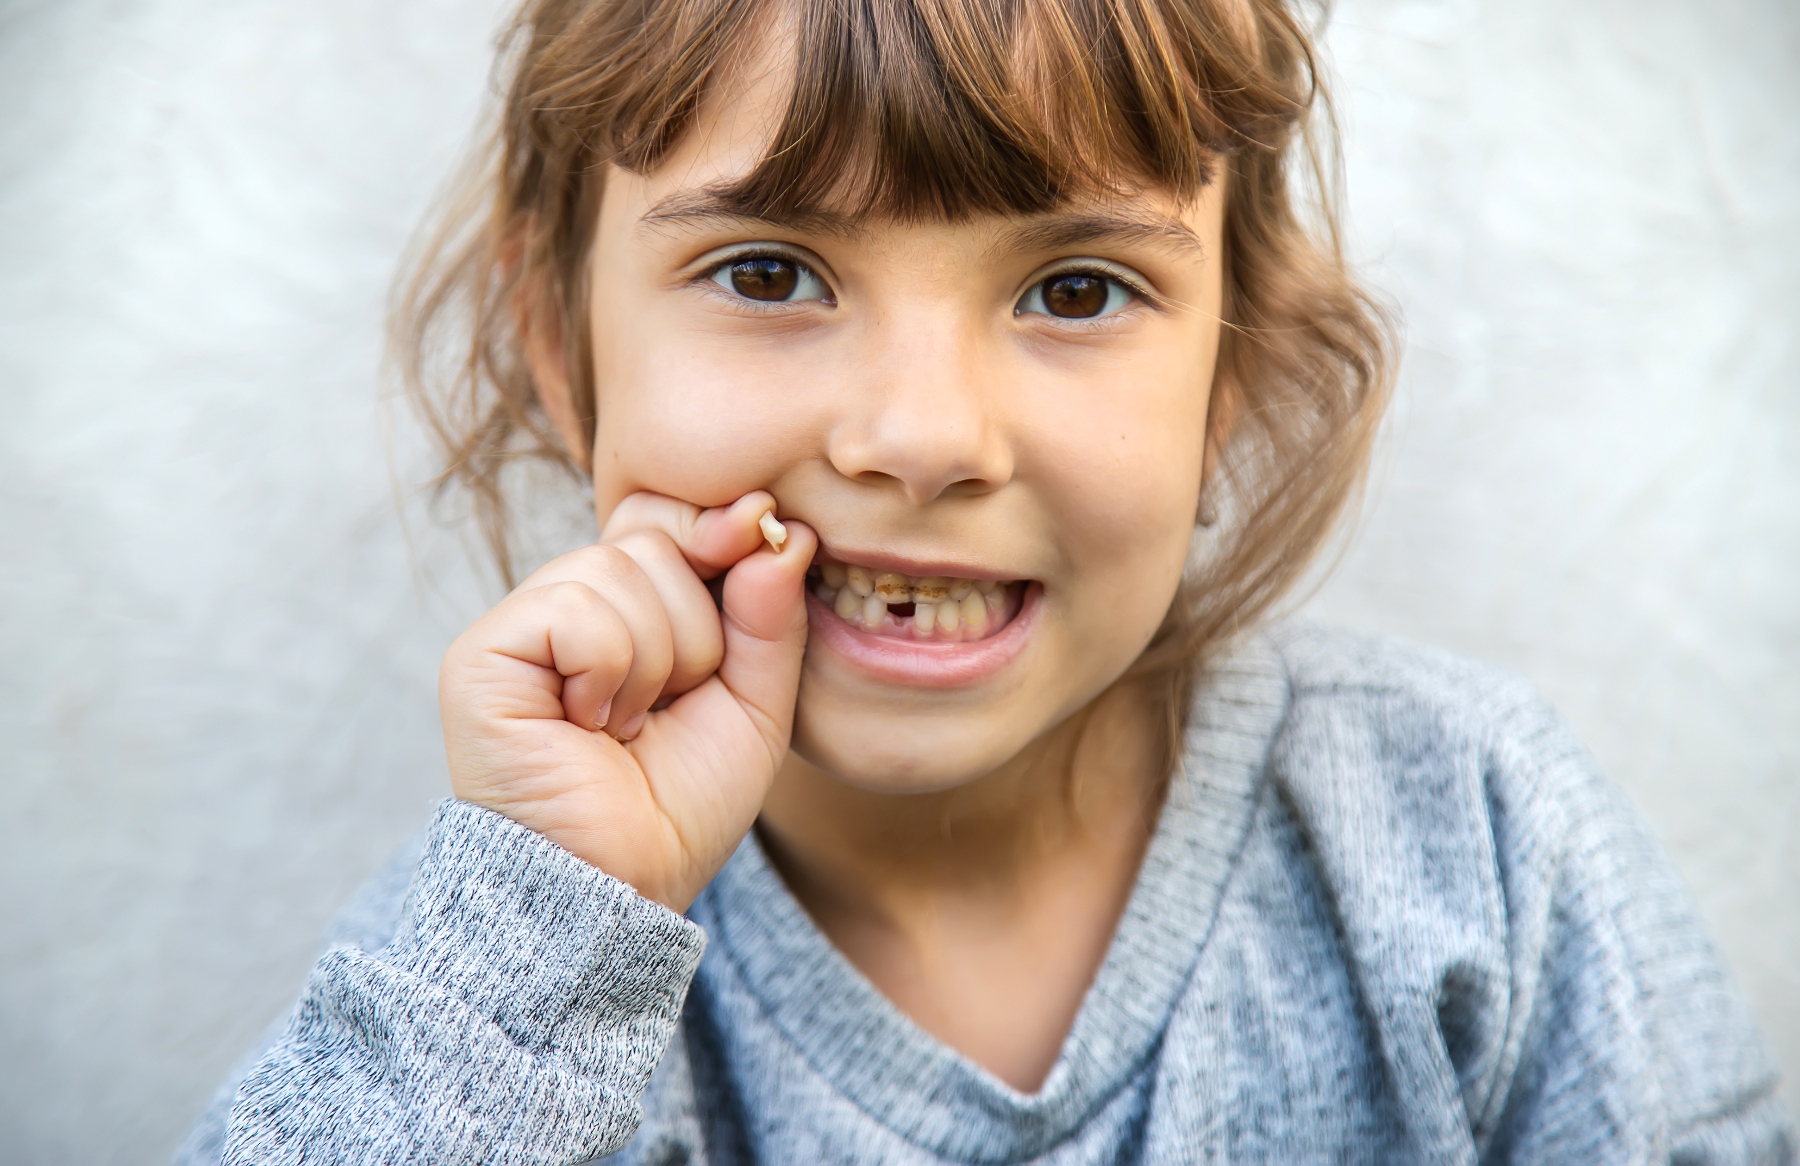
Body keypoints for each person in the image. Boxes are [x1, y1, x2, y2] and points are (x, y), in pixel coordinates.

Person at [174, 0, 1793, 1160]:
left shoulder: (1469, 851)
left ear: (1224, 365)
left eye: (1077, 288)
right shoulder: (509, 958)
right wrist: (543, 925)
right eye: (766, 271)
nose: (923, 438)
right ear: (560, 343)